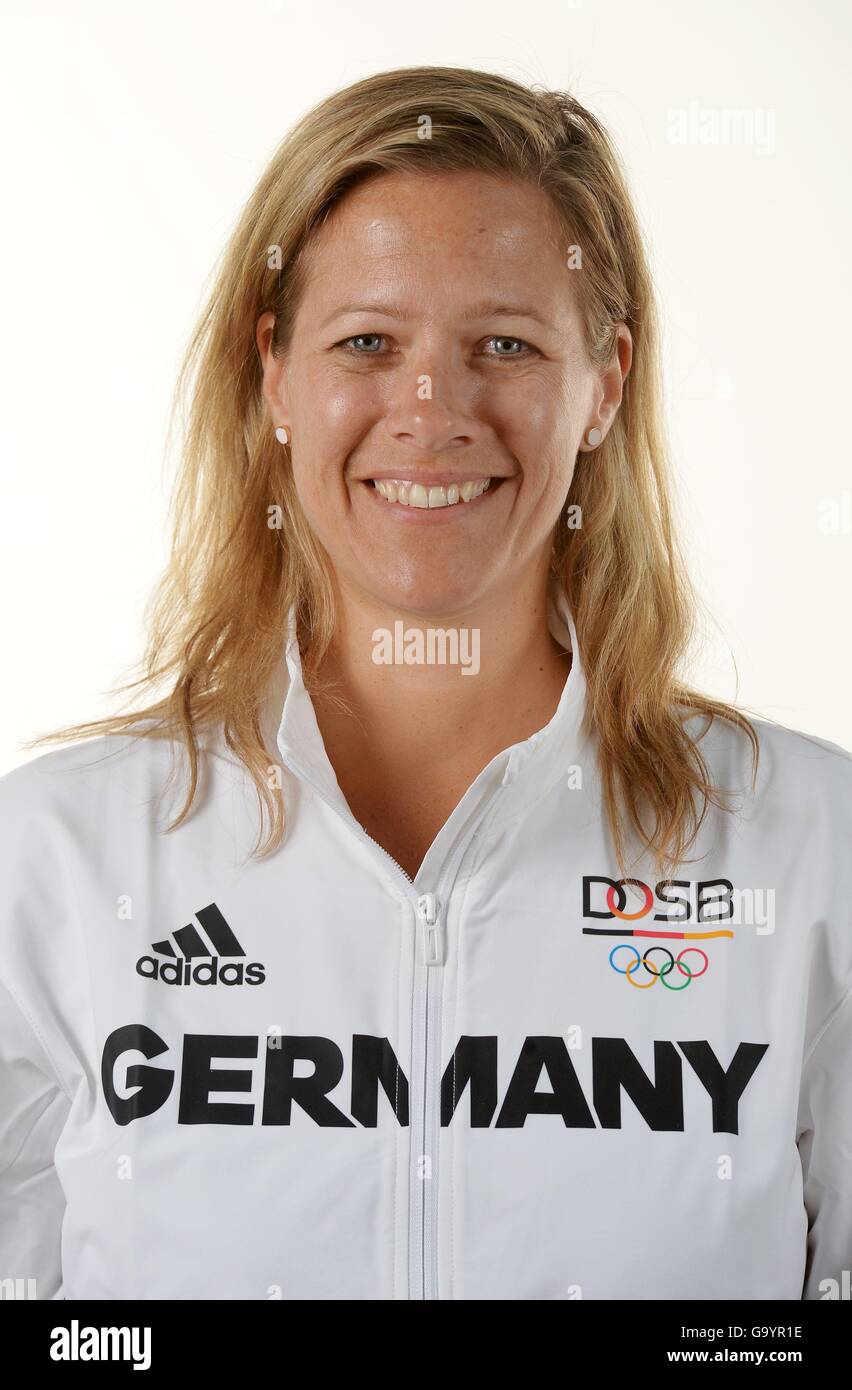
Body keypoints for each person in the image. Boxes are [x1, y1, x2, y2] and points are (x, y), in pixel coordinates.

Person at [0, 65, 850, 1302]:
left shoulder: (814, 853)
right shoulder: (52, 865)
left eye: (503, 343)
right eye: (367, 342)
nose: (431, 408)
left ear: (603, 382)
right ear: (276, 373)